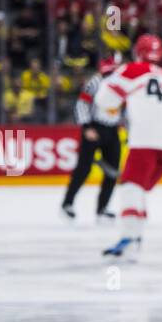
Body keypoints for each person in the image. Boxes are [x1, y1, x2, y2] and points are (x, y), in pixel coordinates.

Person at [99, 34, 162, 259]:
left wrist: (109, 77)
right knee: (140, 190)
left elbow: (104, 101)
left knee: (130, 187)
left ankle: (130, 237)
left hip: (145, 138)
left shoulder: (131, 70)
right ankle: (136, 235)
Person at [61, 57, 122, 223]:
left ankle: (102, 209)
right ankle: (68, 203)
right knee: (83, 168)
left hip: (112, 129)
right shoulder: (95, 82)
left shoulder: (123, 82)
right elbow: (81, 104)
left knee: (112, 171)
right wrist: (87, 127)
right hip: (94, 127)